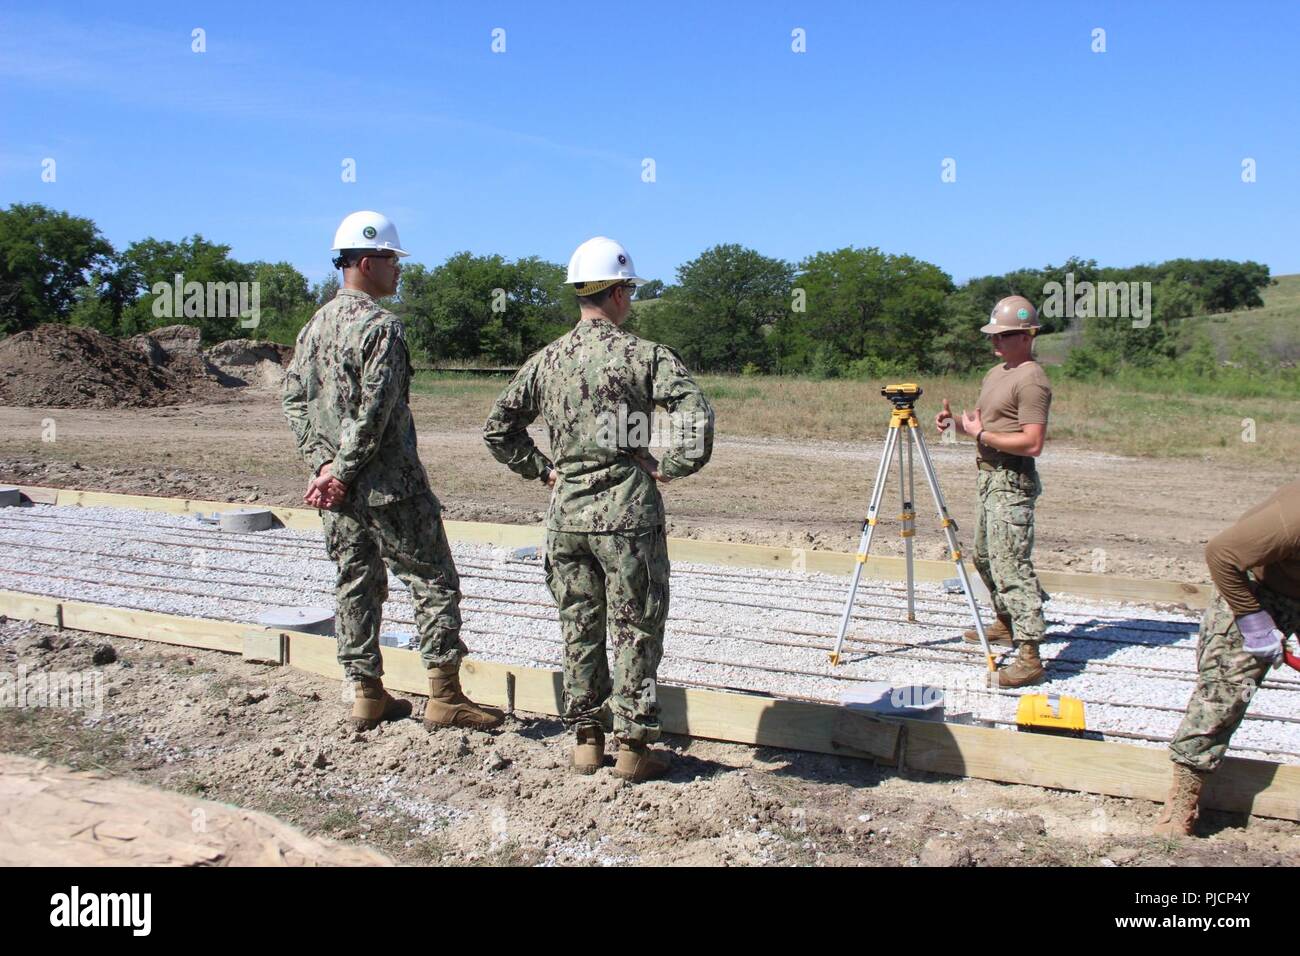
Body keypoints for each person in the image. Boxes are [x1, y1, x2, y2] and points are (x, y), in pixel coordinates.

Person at [483, 236, 714, 781]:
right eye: (628, 290)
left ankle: (586, 740)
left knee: (579, 624)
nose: (629, 299)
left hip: (566, 520)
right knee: (635, 627)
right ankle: (633, 747)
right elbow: (695, 413)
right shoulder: (645, 356)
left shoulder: (546, 361)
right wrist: (672, 465)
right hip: (628, 518)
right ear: (615, 293)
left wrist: (543, 470)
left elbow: (498, 429)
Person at [282, 210, 503, 733]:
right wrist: (342, 468)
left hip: (338, 494)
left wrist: (322, 464)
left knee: (355, 583)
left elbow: (292, 398)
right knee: (432, 580)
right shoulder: (382, 328)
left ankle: (366, 694)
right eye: (391, 260)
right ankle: (445, 697)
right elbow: (376, 411)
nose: (399, 270)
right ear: (365, 262)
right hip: (390, 487)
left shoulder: (313, 327)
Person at [1155, 480, 1299, 835]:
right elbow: (1222, 553)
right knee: (1223, 696)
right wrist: (1253, 619)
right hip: (1254, 592)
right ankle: (1182, 803)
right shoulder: (1295, 516)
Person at [935, 295, 1051, 687]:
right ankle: (1005, 621)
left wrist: (980, 433)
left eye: (1002, 337)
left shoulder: (1032, 380)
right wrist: (955, 424)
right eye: (993, 336)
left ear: (1026, 335)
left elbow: (1032, 442)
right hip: (988, 476)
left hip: (1012, 480)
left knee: (1011, 565)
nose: (994, 343)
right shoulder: (997, 372)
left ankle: (1031, 653)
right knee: (984, 556)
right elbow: (985, 424)